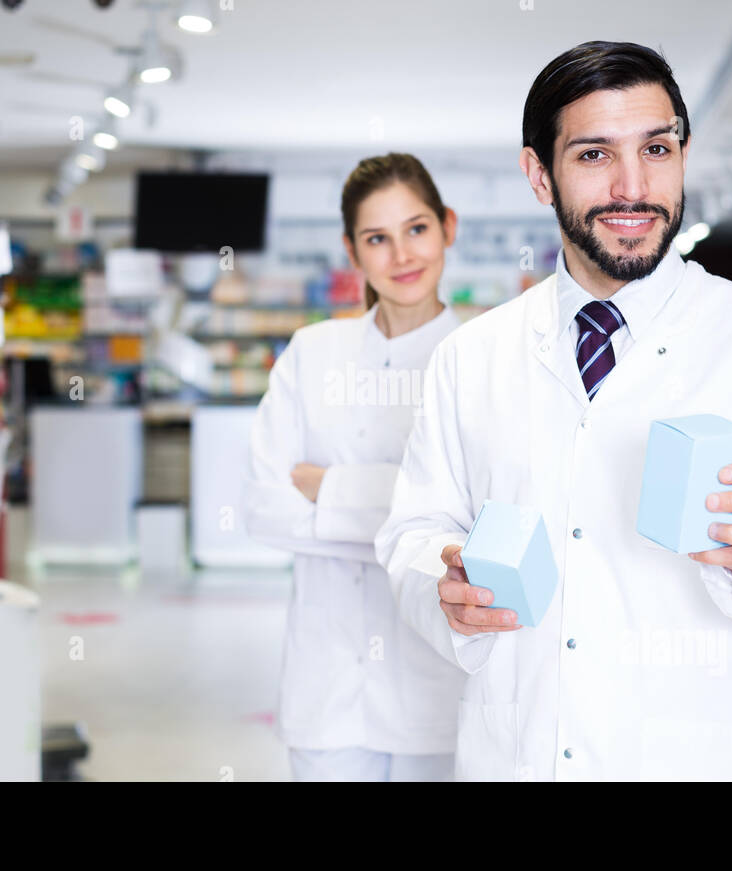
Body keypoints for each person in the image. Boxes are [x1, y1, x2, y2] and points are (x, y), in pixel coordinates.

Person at [374, 41, 732, 781]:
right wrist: (446, 591)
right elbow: (415, 533)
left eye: (657, 148)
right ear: (538, 174)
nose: (634, 186)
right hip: (520, 757)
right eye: (594, 155)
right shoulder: (473, 358)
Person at [244, 153, 466, 781]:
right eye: (377, 238)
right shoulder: (313, 353)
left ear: (448, 226)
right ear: (352, 250)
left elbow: (483, 516)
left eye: (416, 228)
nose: (401, 255)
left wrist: (329, 489)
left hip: (440, 689)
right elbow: (264, 508)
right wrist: (415, 521)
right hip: (328, 687)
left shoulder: (483, 358)